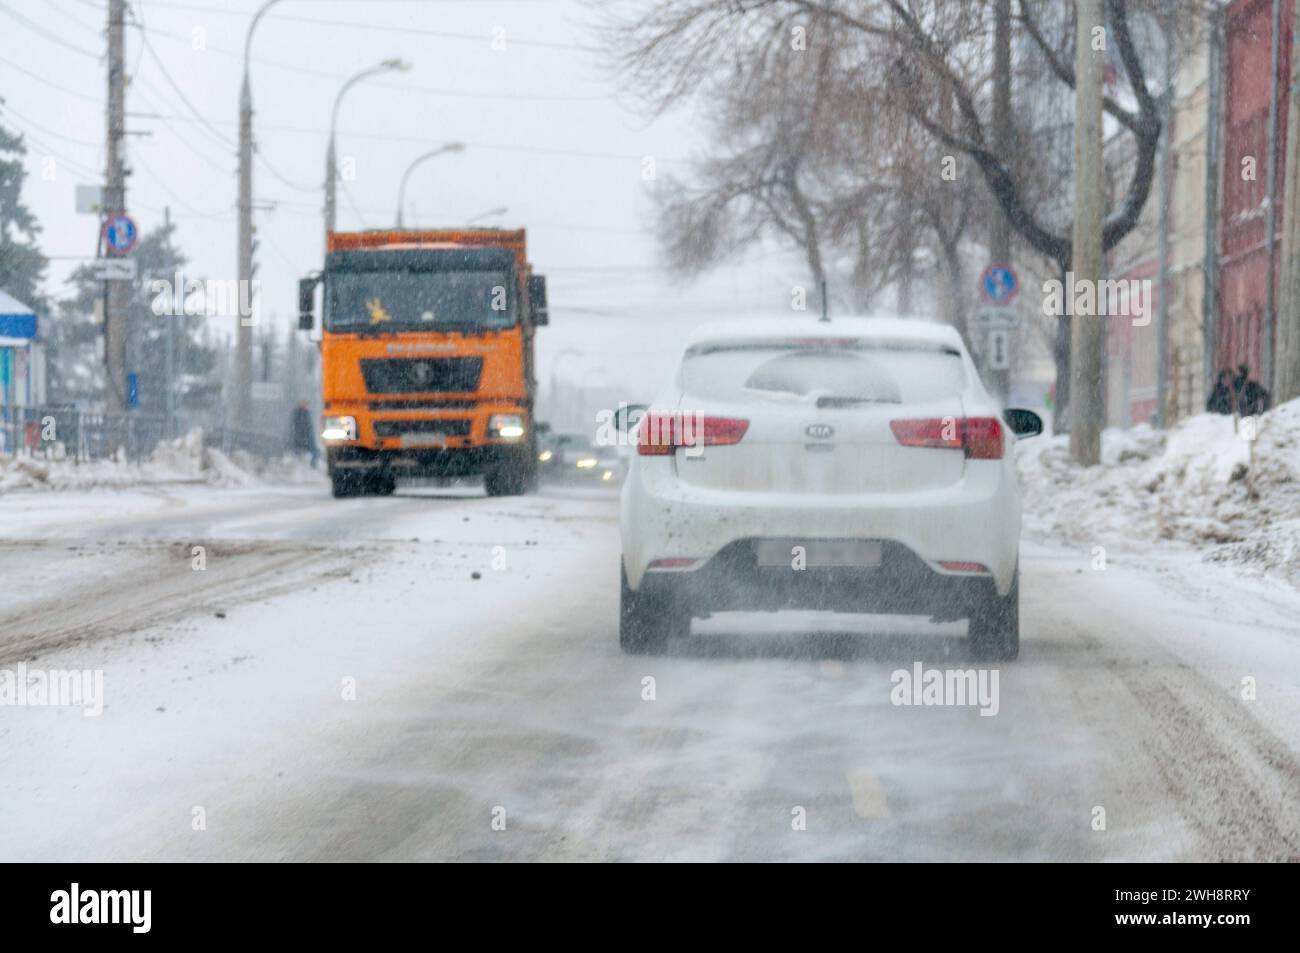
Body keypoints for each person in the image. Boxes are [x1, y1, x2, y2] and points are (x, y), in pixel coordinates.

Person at [291, 403, 319, 467]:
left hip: (301, 441)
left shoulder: (298, 415)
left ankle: (311, 464)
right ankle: (313, 465)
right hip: (304, 441)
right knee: (316, 452)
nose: (307, 407)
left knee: (316, 451)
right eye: (306, 406)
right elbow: (307, 430)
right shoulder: (304, 416)